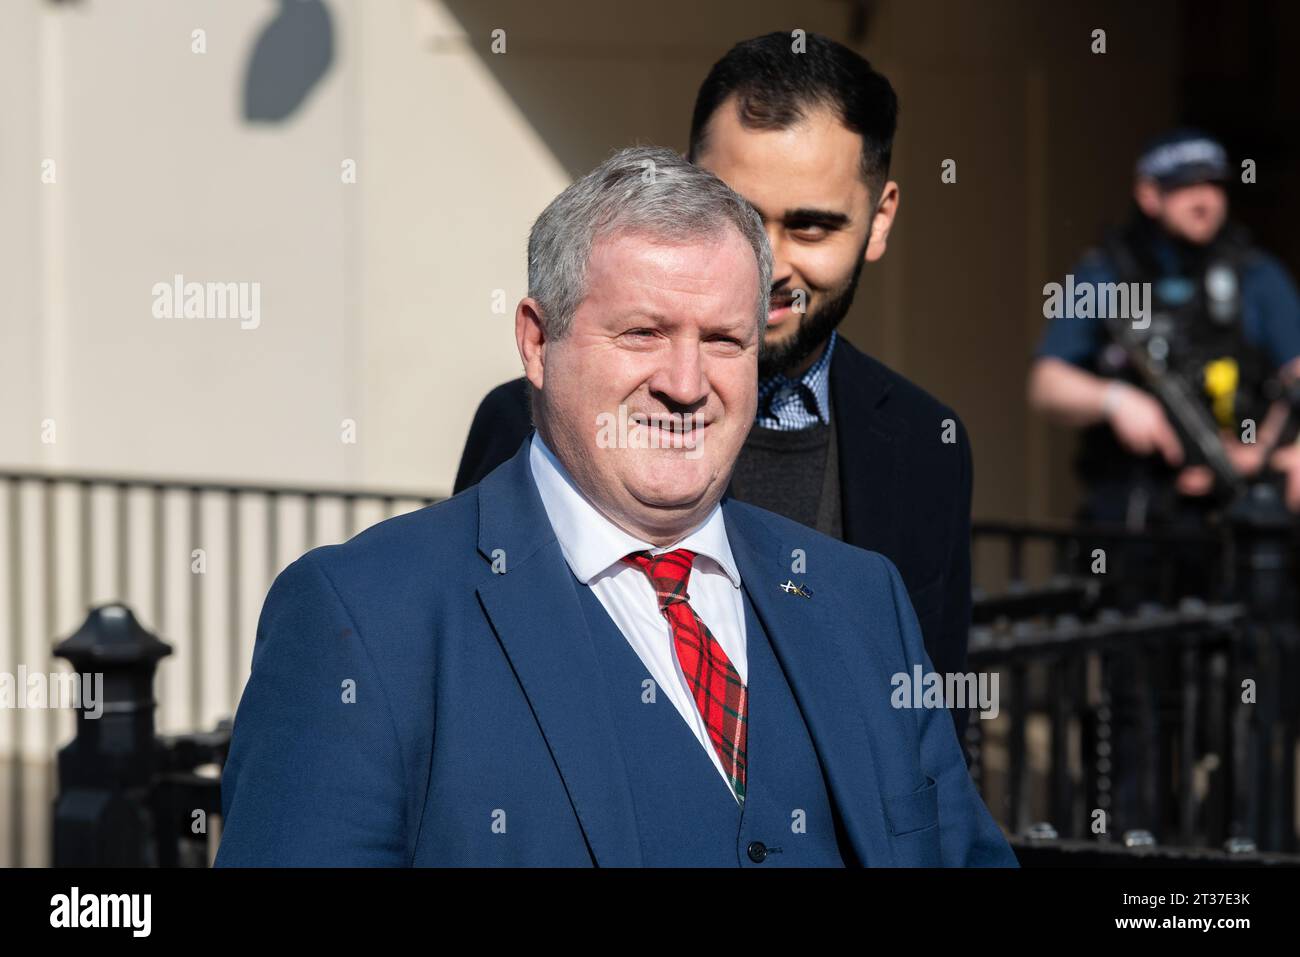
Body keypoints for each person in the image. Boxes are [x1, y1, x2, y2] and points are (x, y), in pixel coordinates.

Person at [215, 147, 1015, 867]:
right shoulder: (365, 620)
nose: (686, 381)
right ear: (536, 341)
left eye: (725, 340)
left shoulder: (861, 601)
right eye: (642, 332)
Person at [455, 32, 975, 738]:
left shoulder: (925, 444)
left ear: (879, 218)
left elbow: (928, 737)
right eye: (739, 213)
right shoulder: (533, 415)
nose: (770, 263)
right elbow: (477, 693)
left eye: (812, 227)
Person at [1029, 128, 1300, 536]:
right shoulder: (1106, 275)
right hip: (1138, 514)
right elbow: (1046, 384)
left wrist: (1275, 452)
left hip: (1242, 508)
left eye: (1213, 185)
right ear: (1149, 195)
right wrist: (1115, 400)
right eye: (1186, 186)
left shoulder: (1255, 275)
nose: (1204, 201)